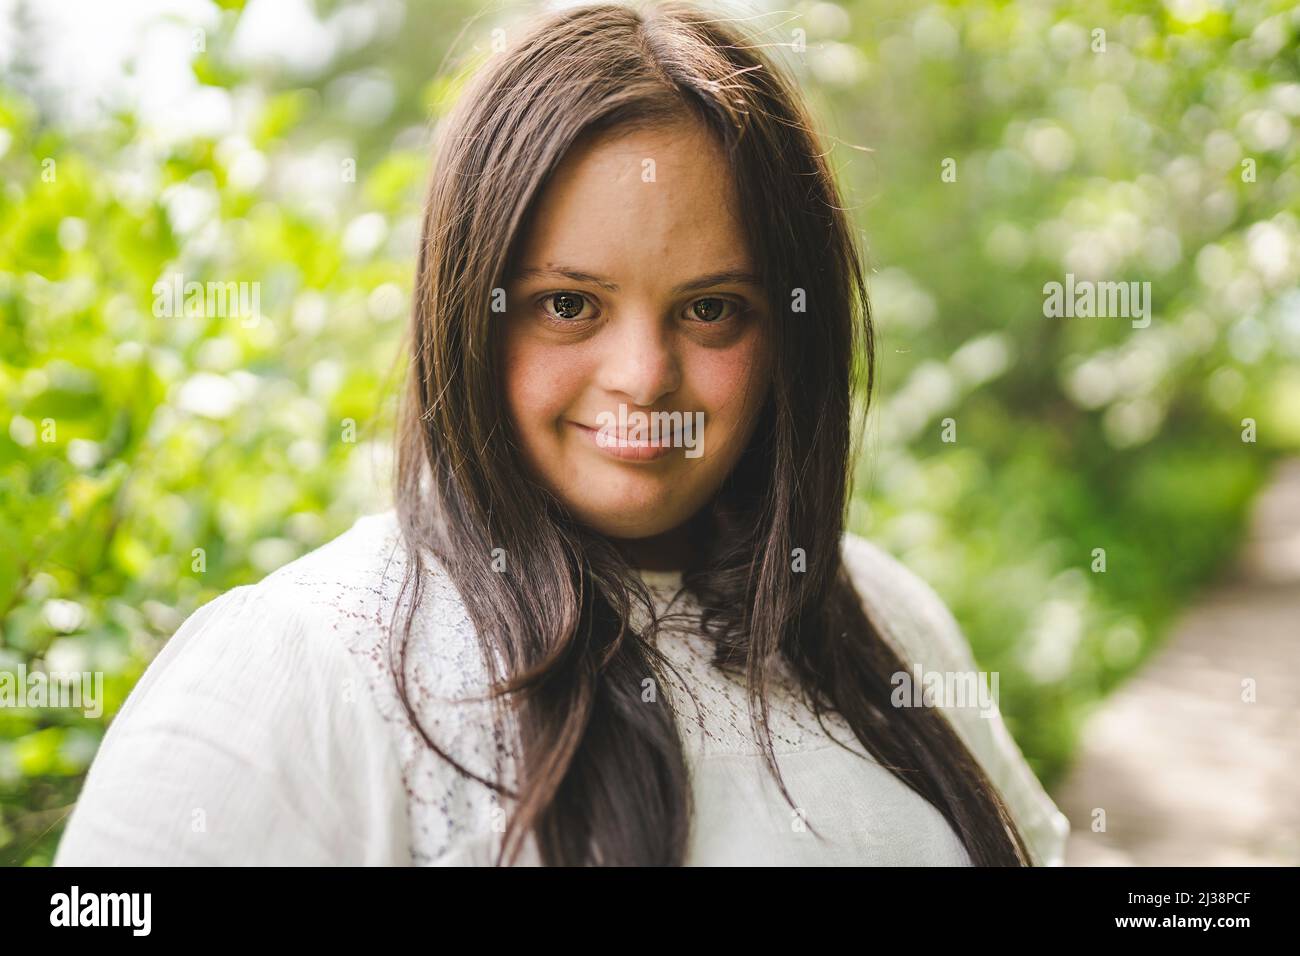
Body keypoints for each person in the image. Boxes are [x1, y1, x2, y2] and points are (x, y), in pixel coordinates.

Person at [55, 0, 1069, 867]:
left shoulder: (879, 609)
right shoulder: (300, 670)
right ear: (466, 312)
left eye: (711, 308)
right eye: (568, 305)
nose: (642, 376)